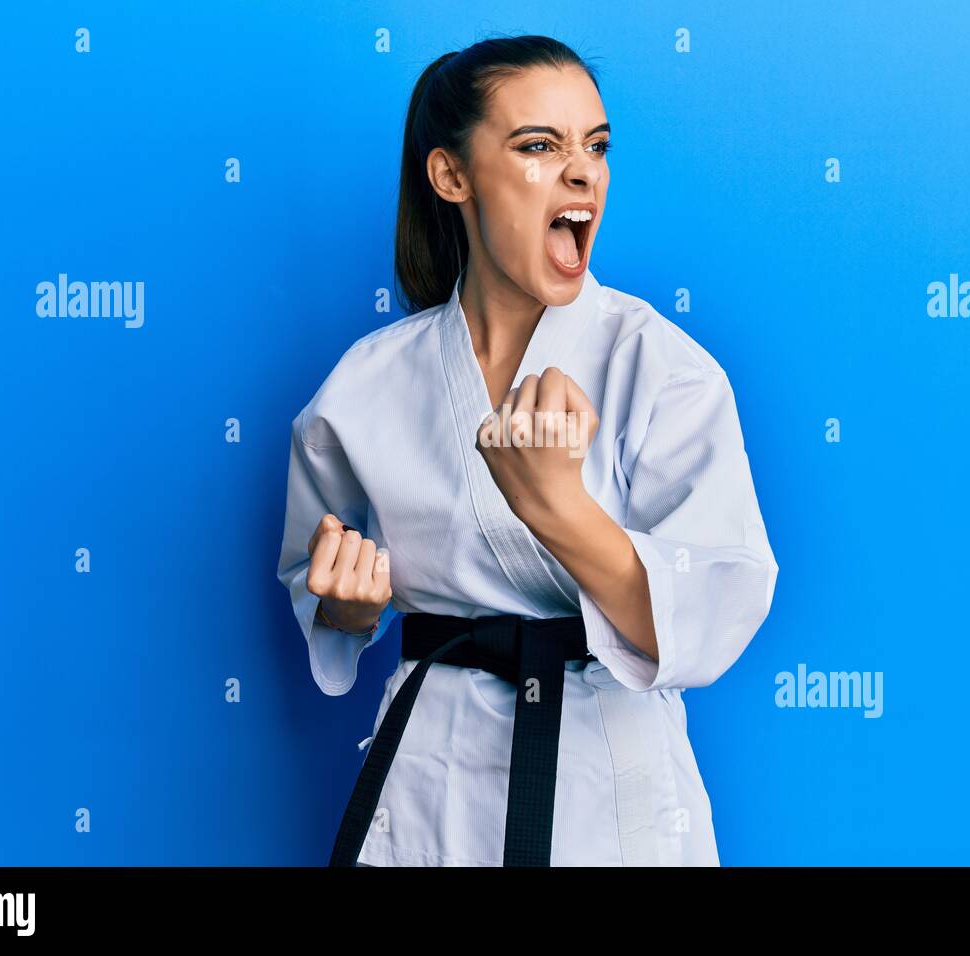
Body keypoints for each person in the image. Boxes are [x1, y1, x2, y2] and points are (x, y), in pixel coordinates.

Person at [276, 34, 779, 866]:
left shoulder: (661, 368)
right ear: (452, 176)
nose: (583, 173)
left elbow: (715, 614)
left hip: (608, 784)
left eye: (596, 146)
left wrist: (557, 508)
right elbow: (319, 589)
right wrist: (349, 607)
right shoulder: (365, 384)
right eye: (539, 147)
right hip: (433, 775)